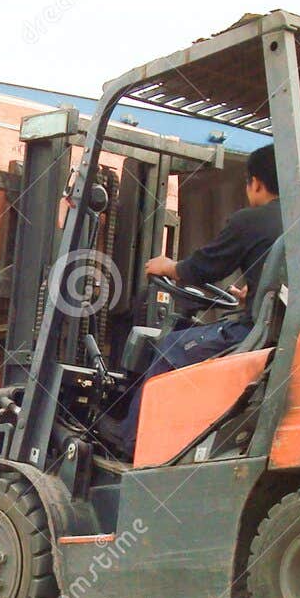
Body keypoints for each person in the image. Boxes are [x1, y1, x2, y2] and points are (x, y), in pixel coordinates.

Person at [107, 143, 283, 457]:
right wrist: (255, 295)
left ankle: (131, 441)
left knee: (171, 347)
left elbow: (203, 268)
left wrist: (169, 267)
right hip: (281, 332)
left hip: (255, 334)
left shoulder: (252, 221)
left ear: (256, 183)